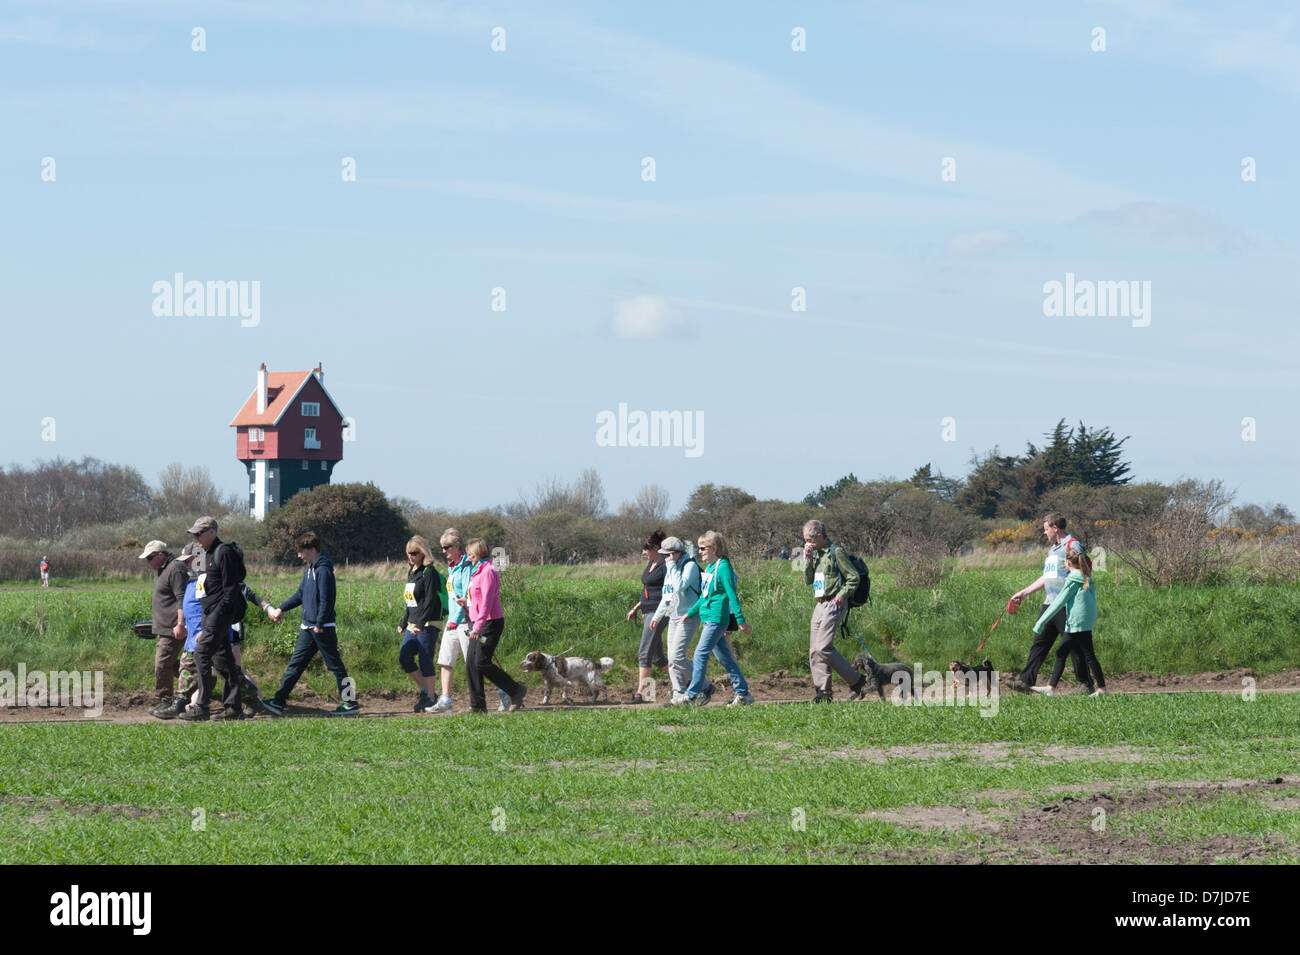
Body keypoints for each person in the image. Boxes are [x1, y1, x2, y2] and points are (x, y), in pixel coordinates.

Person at [258, 531, 358, 717]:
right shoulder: (310, 569)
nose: (299, 555)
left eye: (301, 551)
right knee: (295, 665)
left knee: (336, 666)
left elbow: (327, 600)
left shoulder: (323, 570)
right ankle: (278, 702)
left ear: (311, 549)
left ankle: (351, 703)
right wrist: (281, 609)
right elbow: (300, 595)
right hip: (308, 628)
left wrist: (320, 623)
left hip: (322, 628)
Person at [426, 529, 509, 713]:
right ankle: (445, 700)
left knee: (478, 663)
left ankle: (504, 692)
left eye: (447, 547)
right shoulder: (452, 567)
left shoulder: (467, 566)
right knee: (446, 660)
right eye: (442, 547)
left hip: (466, 621)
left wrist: (456, 619)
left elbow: (466, 595)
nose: (444, 551)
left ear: (457, 547)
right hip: (453, 621)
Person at [1008, 513, 1089, 692]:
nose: (1045, 533)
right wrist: (1024, 592)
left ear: (1055, 528)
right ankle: (1026, 681)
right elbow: (1047, 577)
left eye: (1046, 530)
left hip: (1067, 604)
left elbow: (1084, 570)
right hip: (1049, 603)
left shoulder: (1072, 545)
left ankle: (1084, 684)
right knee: (1040, 642)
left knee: (1074, 646)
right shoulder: (1052, 550)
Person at [181, 517, 245, 721]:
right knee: (223, 660)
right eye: (194, 534)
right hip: (210, 615)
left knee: (200, 655)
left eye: (199, 534)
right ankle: (234, 709)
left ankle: (202, 706)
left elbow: (231, 590)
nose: (196, 538)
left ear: (212, 532)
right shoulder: (205, 554)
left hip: (220, 615)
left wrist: (216, 617)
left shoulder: (223, 552)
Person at [680, 531, 754, 707]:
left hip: (717, 619)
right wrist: (690, 613)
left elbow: (732, 595)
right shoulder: (710, 568)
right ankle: (743, 693)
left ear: (714, 548)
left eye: (703, 548)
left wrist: (741, 620)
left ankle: (691, 695)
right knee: (724, 658)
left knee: (699, 654)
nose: (700, 551)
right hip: (707, 617)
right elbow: (704, 597)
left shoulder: (723, 567)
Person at [802, 520, 870, 702]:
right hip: (819, 603)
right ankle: (823, 694)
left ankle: (857, 680)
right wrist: (808, 560)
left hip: (835, 602)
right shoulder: (815, 554)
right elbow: (808, 580)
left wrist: (842, 595)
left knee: (823, 647)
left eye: (810, 540)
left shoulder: (836, 552)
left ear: (819, 536)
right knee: (814, 651)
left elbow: (853, 578)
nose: (807, 543)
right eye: (805, 541)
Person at [1031, 550, 1107, 697]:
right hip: (1083, 621)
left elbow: (1057, 603)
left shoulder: (1072, 580)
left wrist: (1041, 622)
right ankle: (1050, 687)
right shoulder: (1085, 577)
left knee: (1088, 655)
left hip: (1076, 622)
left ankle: (1102, 689)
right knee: (1062, 652)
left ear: (1067, 563)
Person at [463, 537, 526, 714]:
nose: (469, 558)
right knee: (471, 663)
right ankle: (478, 705)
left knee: (482, 662)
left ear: (478, 553)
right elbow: (476, 598)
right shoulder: (477, 571)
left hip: (490, 623)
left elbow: (487, 603)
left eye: (471, 554)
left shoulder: (488, 571)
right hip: (478, 622)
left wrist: (477, 627)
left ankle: (516, 690)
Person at [649, 536, 701, 705]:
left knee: (677, 657)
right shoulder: (671, 567)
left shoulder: (690, 566)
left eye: (668, 555)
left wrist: (671, 566)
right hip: (674, 616)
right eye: (664, 555)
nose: (666, 558)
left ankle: (703, 684)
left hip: (689, 616)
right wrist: (657, 617)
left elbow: (679, 587)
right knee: (671, 660)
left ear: (678, 553)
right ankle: (678, 694)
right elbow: (668, 595)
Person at [140, 540, 189, 719]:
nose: (148, 562)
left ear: (161, 555)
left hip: (173, 629)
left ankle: (166, 700)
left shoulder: (175, 568)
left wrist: (180, 624)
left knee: (162, 663)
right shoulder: (163, 569)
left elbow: (181, 598)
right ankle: (197, 683)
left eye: (150, 558)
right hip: (165, 628)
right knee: (174, 664)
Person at [398, 535, 443, 712]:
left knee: (425, 660)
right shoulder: (412, 571)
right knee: (405, 658)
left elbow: (430, 600)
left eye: (415, 553)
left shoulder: (429, 572)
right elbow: (411, 601)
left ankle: (431, 698)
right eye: (409, 553)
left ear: (423, 552)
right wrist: (404, 622)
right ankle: (426, 690)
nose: (411, 556)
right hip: (412, 623)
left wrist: (421, 623)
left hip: (428, 623)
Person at [625, 529, 669, 703]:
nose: (643, 552)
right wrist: (637, 608)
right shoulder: (651, 563)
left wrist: (654, 614)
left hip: (659, 612)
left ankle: (643, 694)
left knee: (645, 653)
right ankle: (693, 681)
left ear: (656, 548)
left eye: (646, 549)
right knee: (658, 658)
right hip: (648, 611)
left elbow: (668, 592)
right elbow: (647, 590)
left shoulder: (666, 565)